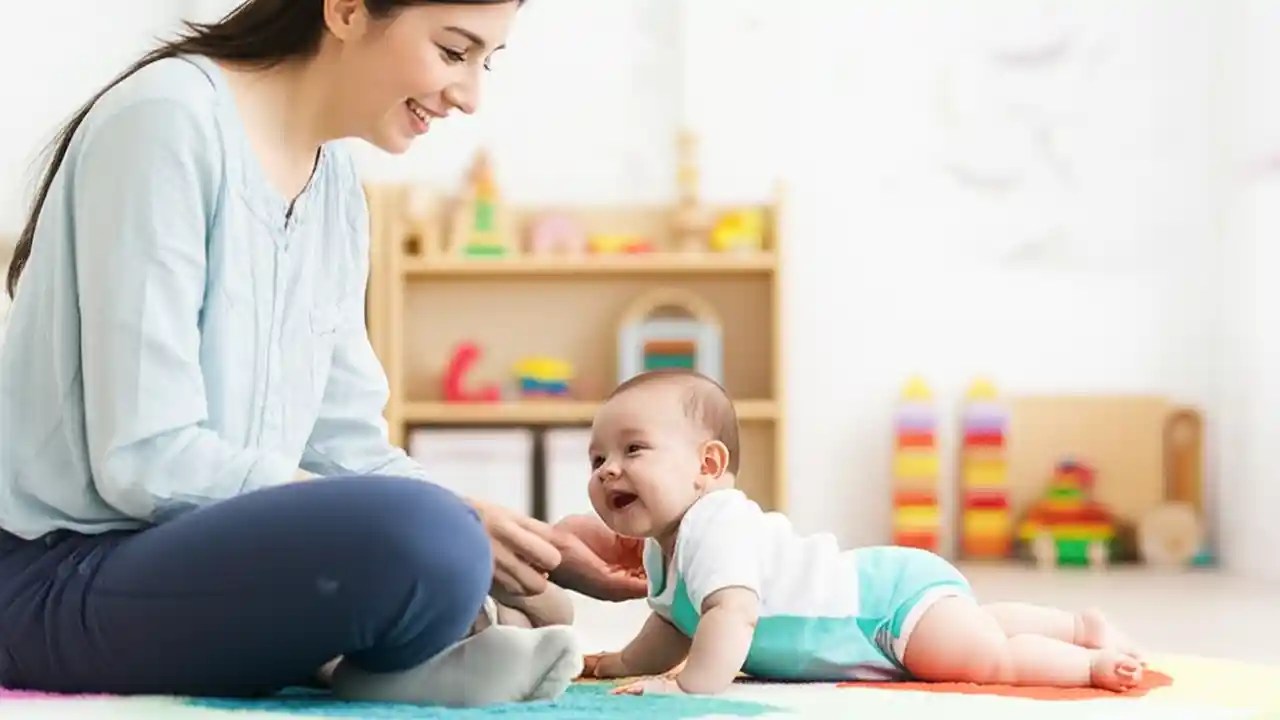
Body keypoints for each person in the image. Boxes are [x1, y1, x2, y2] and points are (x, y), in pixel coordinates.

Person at [0, 0, 648, 706]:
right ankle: (381, 658)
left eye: (484, 62)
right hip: (52, 575)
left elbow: (348, 447)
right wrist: (455, 521)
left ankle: (373, 664)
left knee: (517, 590)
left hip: (182, 565)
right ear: (343, 10)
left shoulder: (335, 185)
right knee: (433, 546)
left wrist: (522, 544)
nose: (469, 96)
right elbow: (144, 459)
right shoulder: (166, 121)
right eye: (453, 51)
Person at [577, 369, 1147, 696]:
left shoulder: (716, 524)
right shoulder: (664, 547)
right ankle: (1076, 625)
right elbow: (674, 622)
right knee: (972, 625)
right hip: (887, 599)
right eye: (596, 457)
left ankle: (1087, 664)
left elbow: (731, 616)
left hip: (882, 614)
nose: (607, 469)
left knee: (984, 658)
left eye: (634, 449)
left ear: (707, 465)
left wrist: (686, 688)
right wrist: (628, 663)